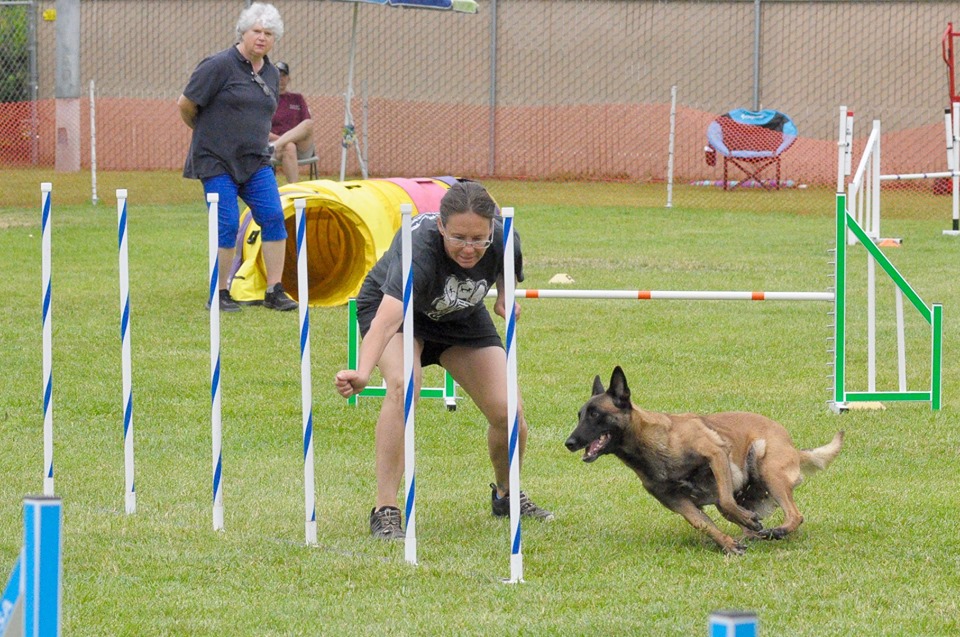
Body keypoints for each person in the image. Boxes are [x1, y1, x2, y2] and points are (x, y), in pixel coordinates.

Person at [334, 180, 554, 540]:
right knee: (404, 386)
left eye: (478, 239)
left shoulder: (504, 236)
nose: (469, 249)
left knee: (508, 412)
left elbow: (505, 274)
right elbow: (388, 318)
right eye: (459, 238)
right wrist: (361, 372)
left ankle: (506, 494)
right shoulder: (418, 246)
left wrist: (502, 298)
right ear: (441, 226)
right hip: (399, 315)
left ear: (491, 229)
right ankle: (386, 509)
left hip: (460, 315)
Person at [177, 2, 297, 312]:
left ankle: (274, 289)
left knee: (273, 217)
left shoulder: (271, 73)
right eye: (256, 31)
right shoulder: (217, 66)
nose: (261, 37)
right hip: (216, 161)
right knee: (227, 223)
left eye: (268, 33)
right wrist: (207, 134)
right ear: (242, 33)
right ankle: (220, 292)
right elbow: (186, 106)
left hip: (255, 161)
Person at [270, 62, 316, 184]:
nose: (281, 78)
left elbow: (306, 126)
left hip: (301, 145)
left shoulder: (297, 98)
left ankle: (282, 142)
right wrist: (285, 141)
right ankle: (295, 191)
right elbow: (260, 130)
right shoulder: (266, 99)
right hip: (276, 147)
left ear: (289, 78)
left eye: (284, 75)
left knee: (309, 124)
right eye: (277, 75)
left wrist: (288, 138)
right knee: (289, 146)